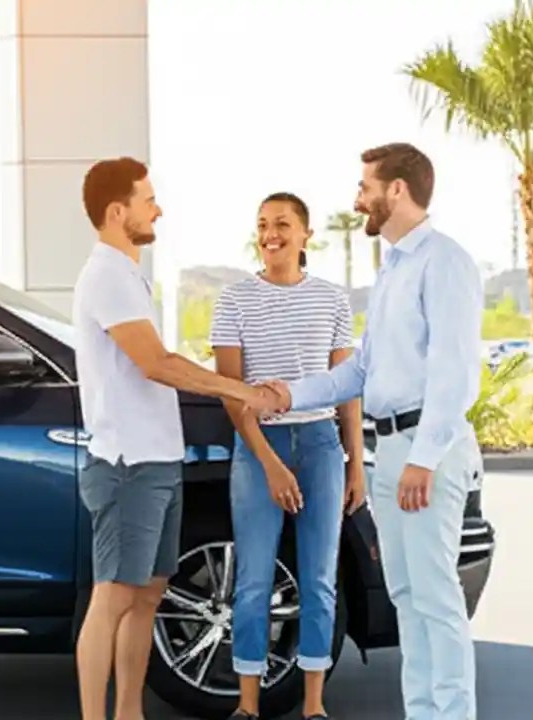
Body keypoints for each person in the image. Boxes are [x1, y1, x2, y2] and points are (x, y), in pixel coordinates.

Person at [260, 143, 483, 720]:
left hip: (424, 452)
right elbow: (361, 371)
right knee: (408, 599)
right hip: (392, 451)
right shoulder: (394, 269)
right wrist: (289, 394)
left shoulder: (445, 262)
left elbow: (456, 375)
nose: (358, 199)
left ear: (398, 191)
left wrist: (425, 459)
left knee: (436, 600)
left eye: (366, 188)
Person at [71, 157, 288, 720]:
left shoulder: (128, 274)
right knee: (114, 596)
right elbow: (155, 363)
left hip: (158, 460)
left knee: (147, 595)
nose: (157, 209)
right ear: (119, 212)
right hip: (128, 464)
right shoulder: (107, 276)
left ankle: (128, 713)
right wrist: (239, 391)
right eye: (148, 200)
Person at [210, 192, 367, 720]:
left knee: (321, 576)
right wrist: (269, 463)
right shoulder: (234, 299)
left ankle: (314, 707)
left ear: (306, 235)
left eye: (281, 223)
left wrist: (354, 462)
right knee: (253, 578)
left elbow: (346, 386)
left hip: (321, 445)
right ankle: (248, 707)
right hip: (260, 447)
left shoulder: (332, 299)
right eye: (262, 224)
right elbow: (233, 392)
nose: (270, 233)